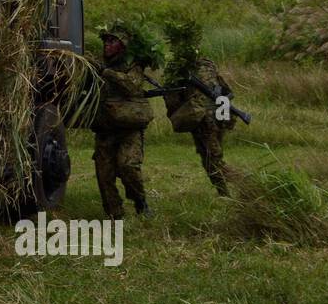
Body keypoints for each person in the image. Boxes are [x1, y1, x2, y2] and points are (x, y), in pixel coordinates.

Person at [162, 18, 234, 196]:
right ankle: (226, 194)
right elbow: (172, 100)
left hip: (213, 117)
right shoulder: (195, 65)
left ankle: (243, 185)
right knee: (211, 158)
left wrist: (220, 99)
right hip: (208, 119)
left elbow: (226, 90)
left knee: (213, 160)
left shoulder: (197, 65)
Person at [90, 23, 154, 218]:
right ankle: (115, 214)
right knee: (104, 175)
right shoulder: (98, 64)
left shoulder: (133, 65)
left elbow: (132, 87)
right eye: (106, 41)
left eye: (113, 41)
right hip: (105, 129)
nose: (107, 45)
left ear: (123, 45)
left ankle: (140, 202)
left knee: (128, 166)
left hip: (129, 129)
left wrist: (106, 73)